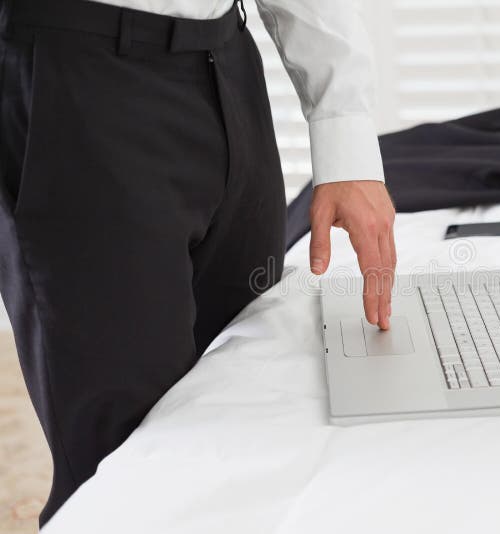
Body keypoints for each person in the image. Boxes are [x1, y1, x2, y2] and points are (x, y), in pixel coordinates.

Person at [0, 0, 395, 525]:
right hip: (77, 73)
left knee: (250, 403)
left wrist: (345, 131)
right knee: (125, 466)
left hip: (227, 66)